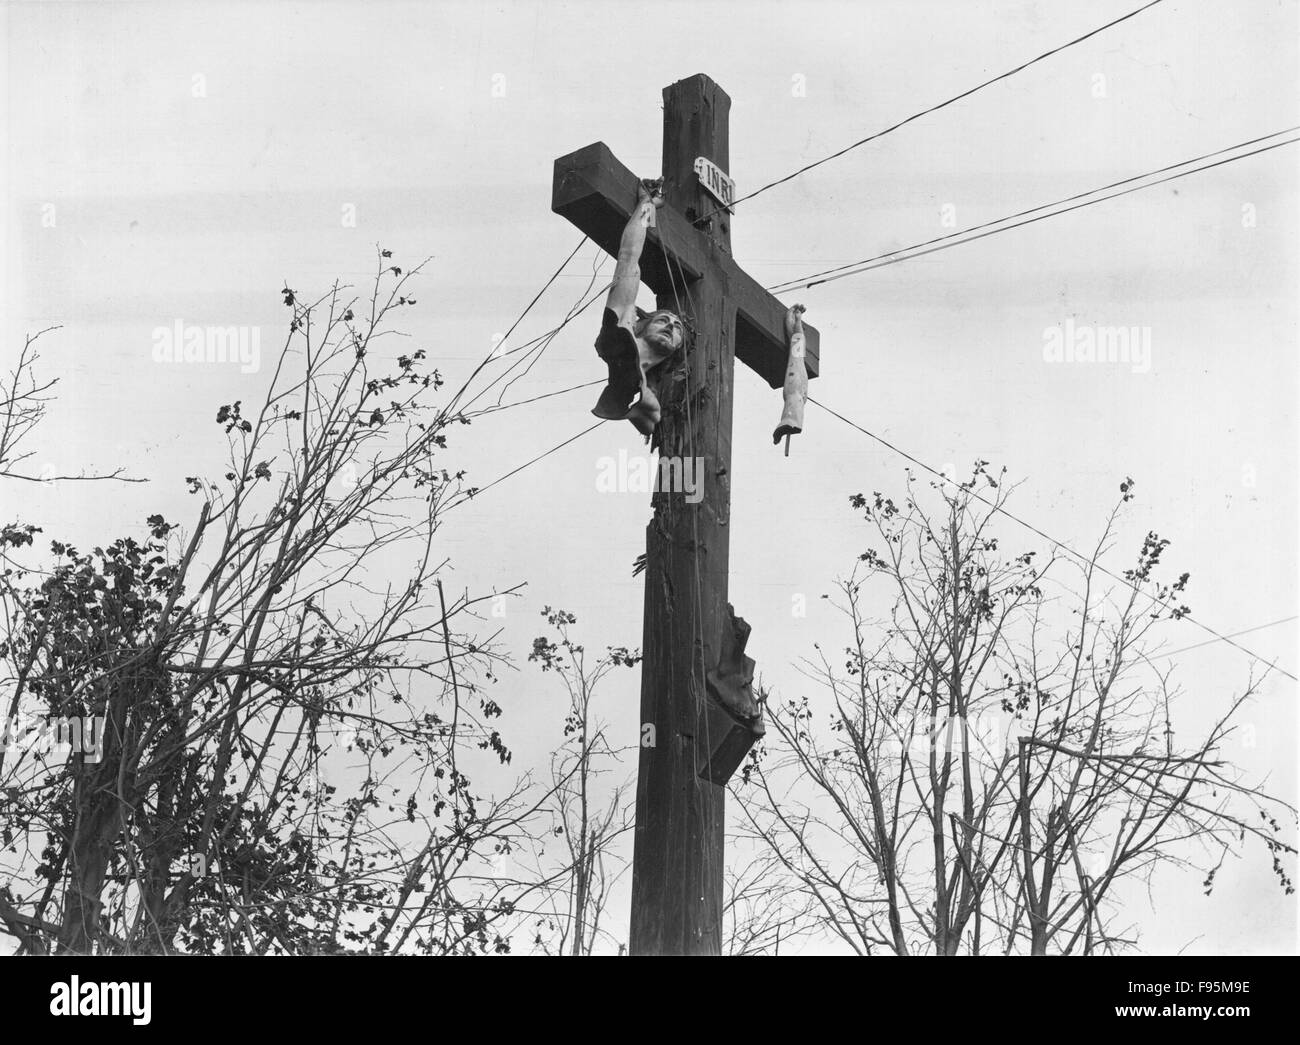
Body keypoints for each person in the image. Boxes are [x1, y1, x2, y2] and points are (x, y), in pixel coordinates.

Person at [591, 177, 686, 438]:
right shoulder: (620, 330)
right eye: (663, 320)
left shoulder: (650, 391)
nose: (670, 325)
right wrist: (646, 205)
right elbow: (628, 257)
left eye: (677, 327)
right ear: (642, 326)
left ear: (679, 347)